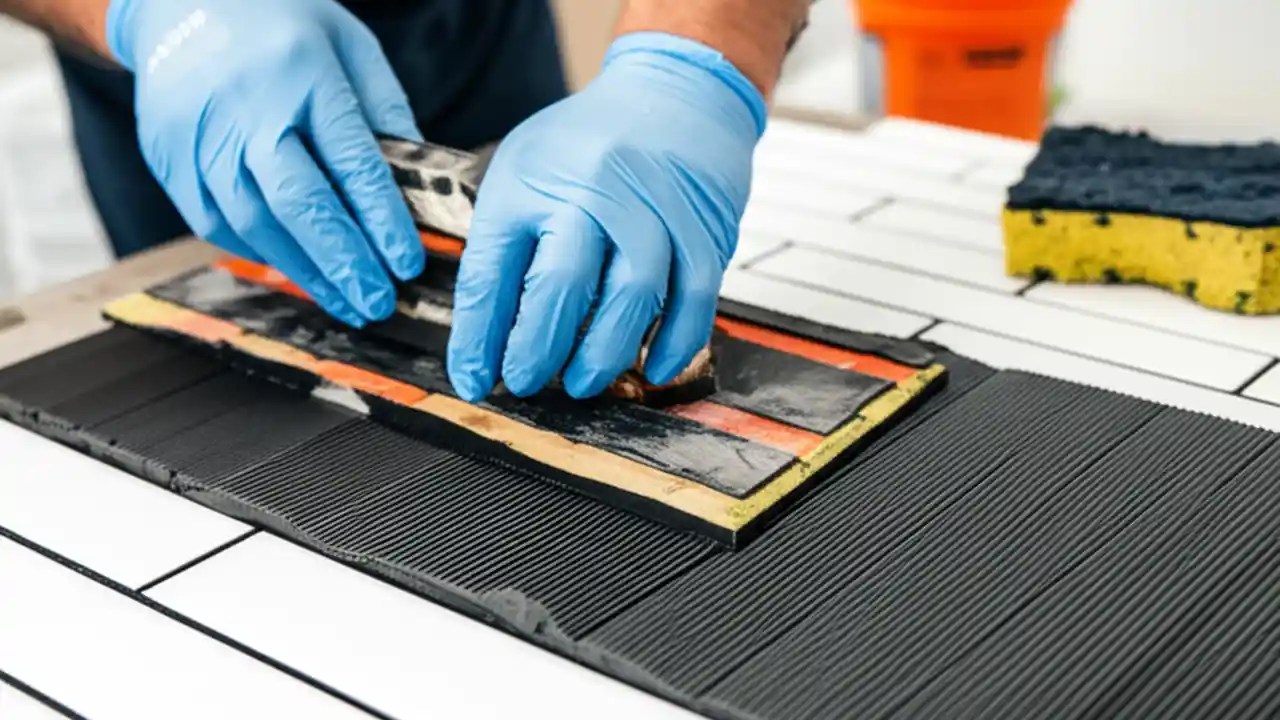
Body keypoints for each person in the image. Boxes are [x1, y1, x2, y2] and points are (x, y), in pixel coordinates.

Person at [0, 0, 810, 401]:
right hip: (207, 67)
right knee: (220, 392)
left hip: (464, 30)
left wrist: (697, 61)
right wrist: (153, 16)